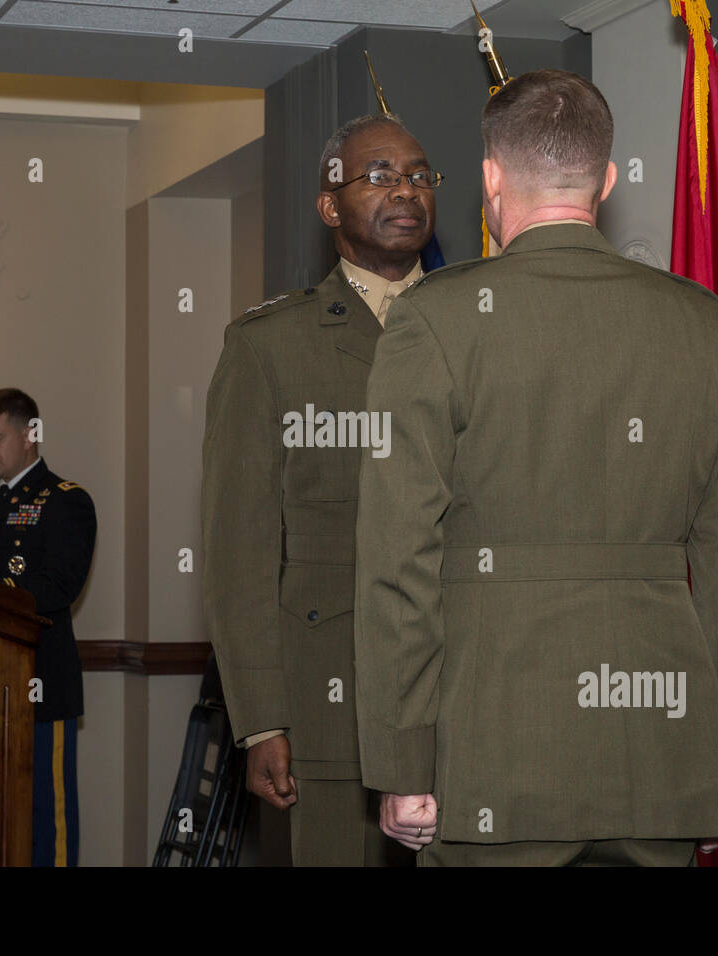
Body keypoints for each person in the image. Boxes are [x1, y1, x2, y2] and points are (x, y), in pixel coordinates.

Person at [353, 69, 718, 866]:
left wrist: (403, 761)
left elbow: (396, 562)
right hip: (661, 755)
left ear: (490, 178)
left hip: (490, 759)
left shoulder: (435, 322)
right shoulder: (700, 325)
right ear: (609, 179)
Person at [201, 113, 442, 866]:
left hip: (468, 691)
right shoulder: (270, 346)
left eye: (418, 174)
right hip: (330, 698)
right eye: (378, 175)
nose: (404, 190)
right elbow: (238, 547)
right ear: (329, 206)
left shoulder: (479, 323)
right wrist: (262, 719)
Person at [0, 387, 96, 867]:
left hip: (37, 682)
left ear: (30, 435)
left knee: (45, 816)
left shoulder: (65, 501)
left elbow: (57, 586)